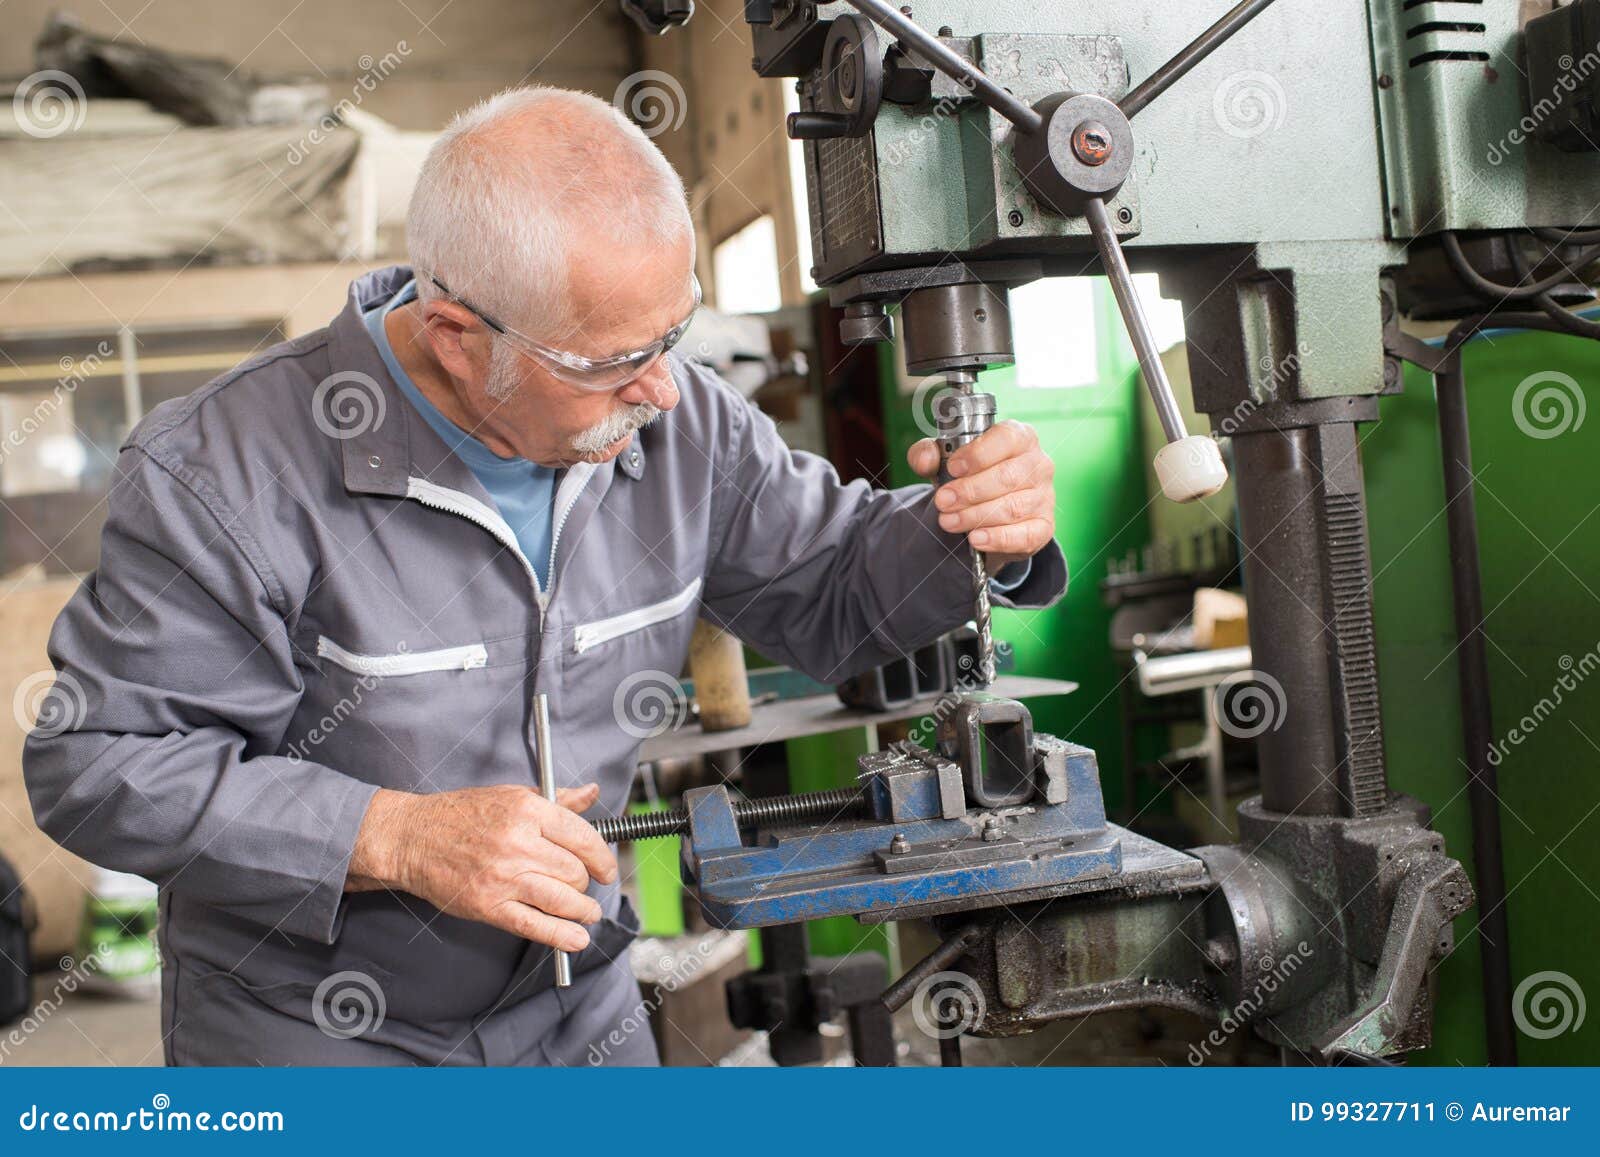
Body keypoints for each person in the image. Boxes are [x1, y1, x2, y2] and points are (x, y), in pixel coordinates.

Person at [25, 86, 1065, 1065]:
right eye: (613, 361)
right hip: (317, 1029)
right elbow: (101, 761)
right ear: (457, 337)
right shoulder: (226, 469)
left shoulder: (680, 417)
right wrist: (390, 834)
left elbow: (836, 587)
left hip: (581, 1012)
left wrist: (972, 531)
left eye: (675, 331)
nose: (662, 387)